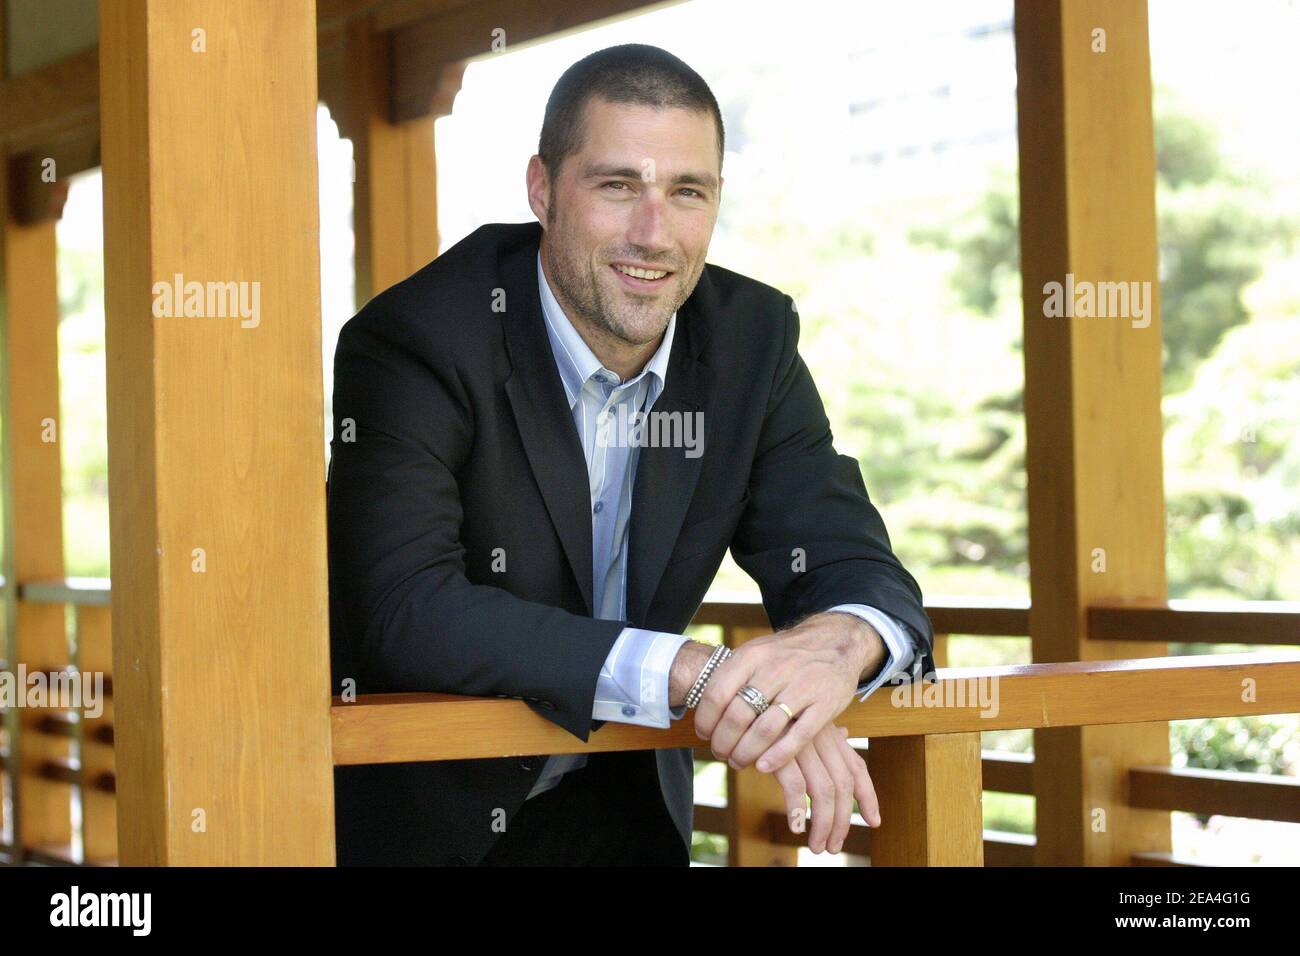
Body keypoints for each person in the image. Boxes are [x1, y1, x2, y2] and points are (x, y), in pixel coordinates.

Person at [327, 43, 934, 866]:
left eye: (688, 192)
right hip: (437, 816)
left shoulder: (752, 342)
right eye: (618, 186)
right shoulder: (417, 340)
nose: (654, 235)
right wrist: (696, 671)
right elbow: (405, 607)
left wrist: (820, 663)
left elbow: (845, 558)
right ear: (542, 190)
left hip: (629, 808)